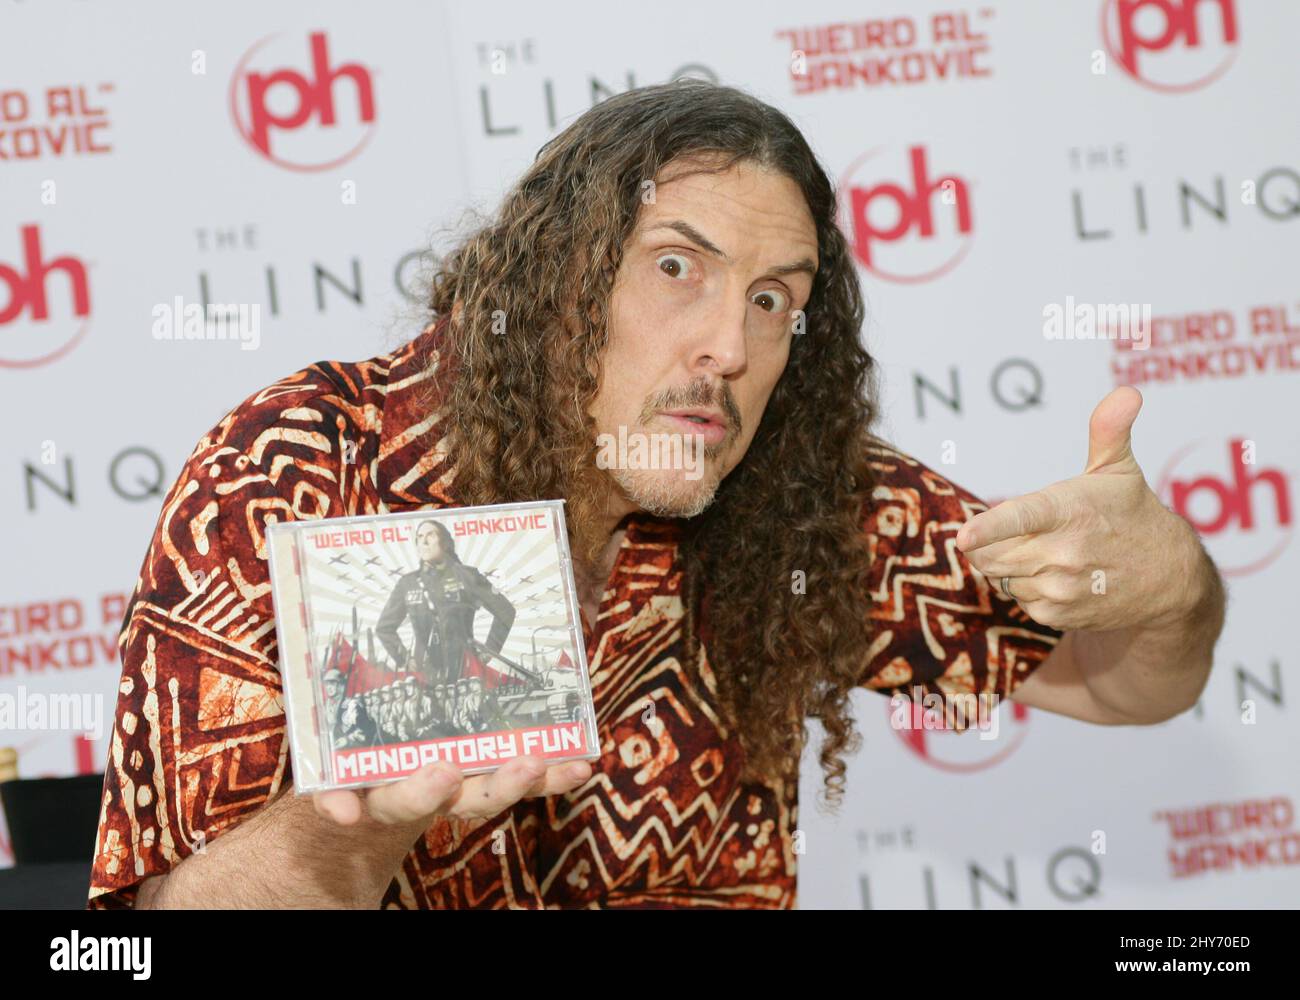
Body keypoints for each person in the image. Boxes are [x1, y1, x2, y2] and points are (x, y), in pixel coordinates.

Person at [88, 80, 1224, 910]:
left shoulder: (786, 493)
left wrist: (1174, 595)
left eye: (776, 298)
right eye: (678, 266)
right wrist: (362, 833)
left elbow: (1124, 689)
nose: (730, 343)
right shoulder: (306, 469)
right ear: (556, 275)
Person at [374, 519, 516, 690]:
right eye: (419, 537)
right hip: (425, 675)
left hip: (465, 670)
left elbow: (506, 611)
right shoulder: (408, 583)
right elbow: (384, 627)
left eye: (430, 535)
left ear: (445, 542)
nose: (424, 541)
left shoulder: (467, 576)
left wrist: (489, 651)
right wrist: (404, 658)